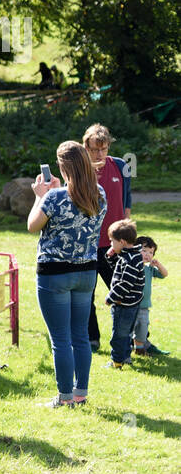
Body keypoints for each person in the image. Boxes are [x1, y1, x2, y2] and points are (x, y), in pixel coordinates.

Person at [28, 141, 107, 407]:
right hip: (86, 272)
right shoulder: (100, 193)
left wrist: (40, 195)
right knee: (80, 336)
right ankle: (80, 393)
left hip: (55, 274)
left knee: (60, 339)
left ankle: (64, 398)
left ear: (62, 167)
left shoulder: (54, 198)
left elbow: (32, 225)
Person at [82, 124, 132, 350]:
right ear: (86, 148)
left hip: (117, 245)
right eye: (94, 149)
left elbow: (127, 199)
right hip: (89, 244)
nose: (99, 154)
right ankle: (92, 338)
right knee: (86, 296)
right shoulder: (80, 170)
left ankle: (133, 339)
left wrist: (128, 236)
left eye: (103, 149)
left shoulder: (121, 165)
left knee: (126, 293)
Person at [104, 219, 145, 369]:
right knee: (126, 332)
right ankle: (126, 357)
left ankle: (117, 361)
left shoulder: (131, 259)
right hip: (131, 303)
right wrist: (111, 257)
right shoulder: (130, 255)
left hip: (124, 304)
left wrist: (111, 297)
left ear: (121, 241)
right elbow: (119, 271)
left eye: (112, 241)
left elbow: (125, 284)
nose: (110, 244)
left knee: (119, 334)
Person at [133, 236, 169, 357]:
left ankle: (139, 349)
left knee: (142, 330)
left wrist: (158, 265)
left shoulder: (149, 268)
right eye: (144, 250)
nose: (147, 254)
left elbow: (165, 274)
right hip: (131, 305)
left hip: (144, 306)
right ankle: (125, 350)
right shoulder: (132, 266)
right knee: (128, 329)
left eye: (151, 252)